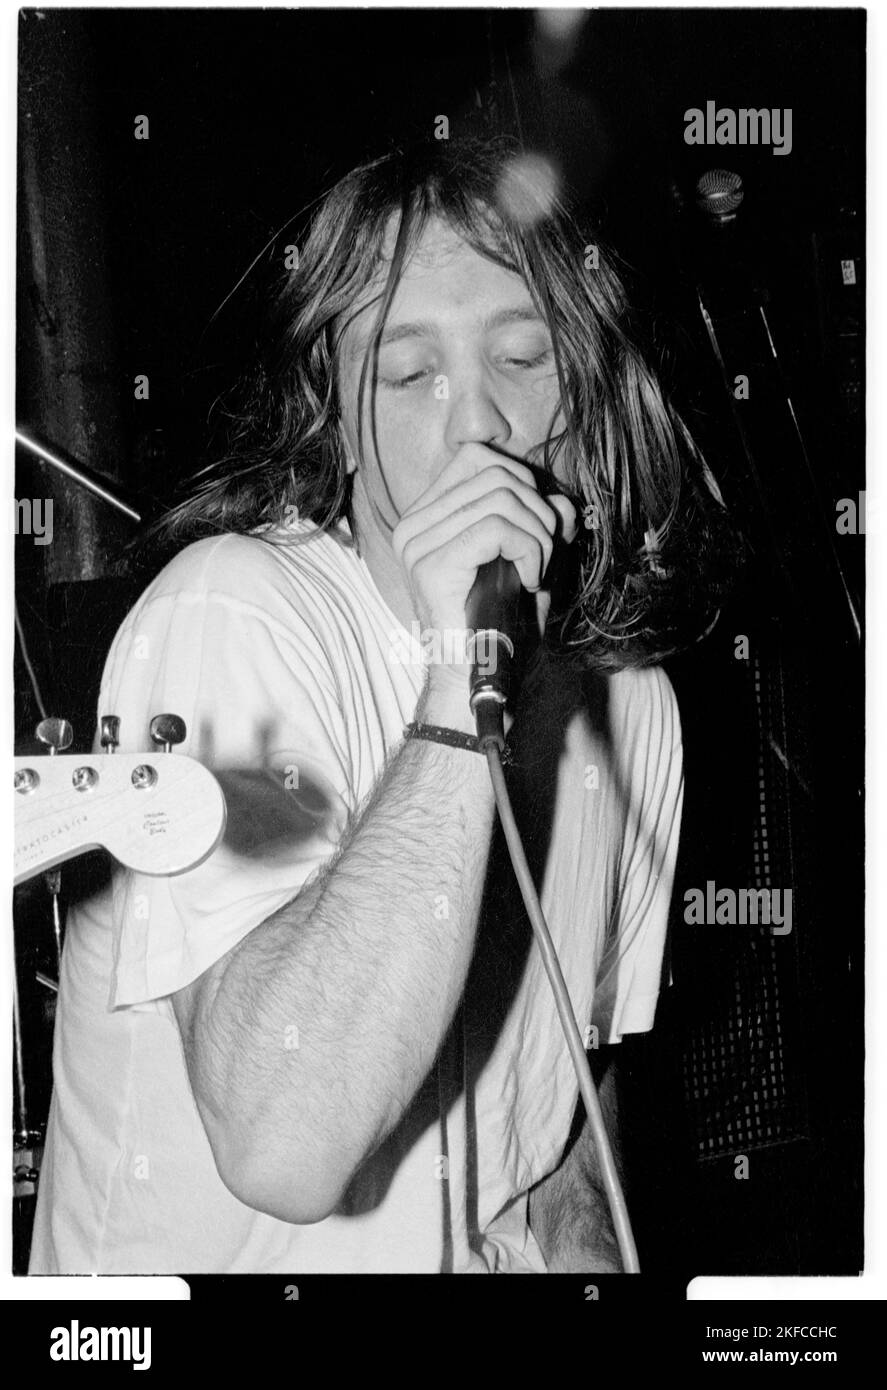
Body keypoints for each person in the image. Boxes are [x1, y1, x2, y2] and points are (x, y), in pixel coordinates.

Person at [30, 138, 728, 1275]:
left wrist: (589, 1248)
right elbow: (283, 1146)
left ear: (591, 393)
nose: (479, 427)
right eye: (408, 376)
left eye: (524, 356)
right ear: (335, 419)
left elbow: (559, 1088)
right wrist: (458, 685)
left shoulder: (626, 700)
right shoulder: (231, 619)